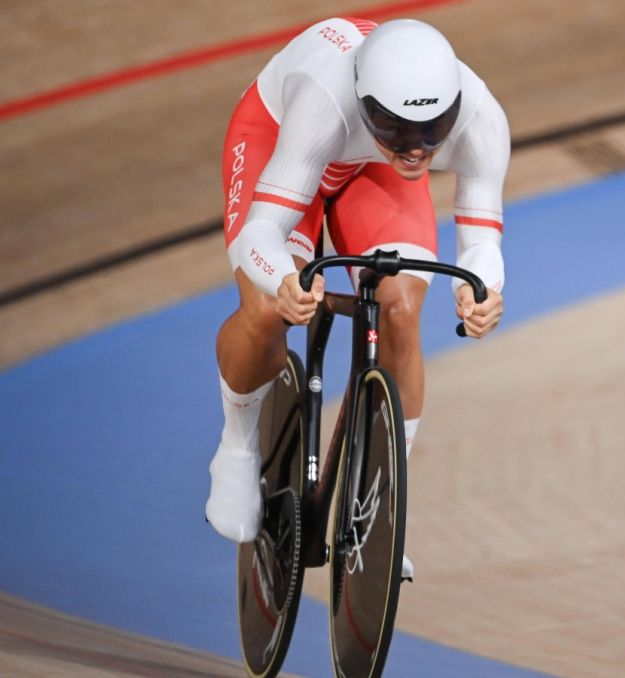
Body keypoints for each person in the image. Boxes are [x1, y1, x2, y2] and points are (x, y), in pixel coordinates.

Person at [205, 17, 510, 581]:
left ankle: (379, 508)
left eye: (432, 131)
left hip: (368, 165)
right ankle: (238, 446)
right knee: (268, 309)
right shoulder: (325, 102)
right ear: (368, 105)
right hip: (282, 139)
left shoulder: (480, 117)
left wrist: (484, 293)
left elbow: (482, 243)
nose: (416, 149)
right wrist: (284, 280)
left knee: (400, 309)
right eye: (397, 128)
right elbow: (260, 235)